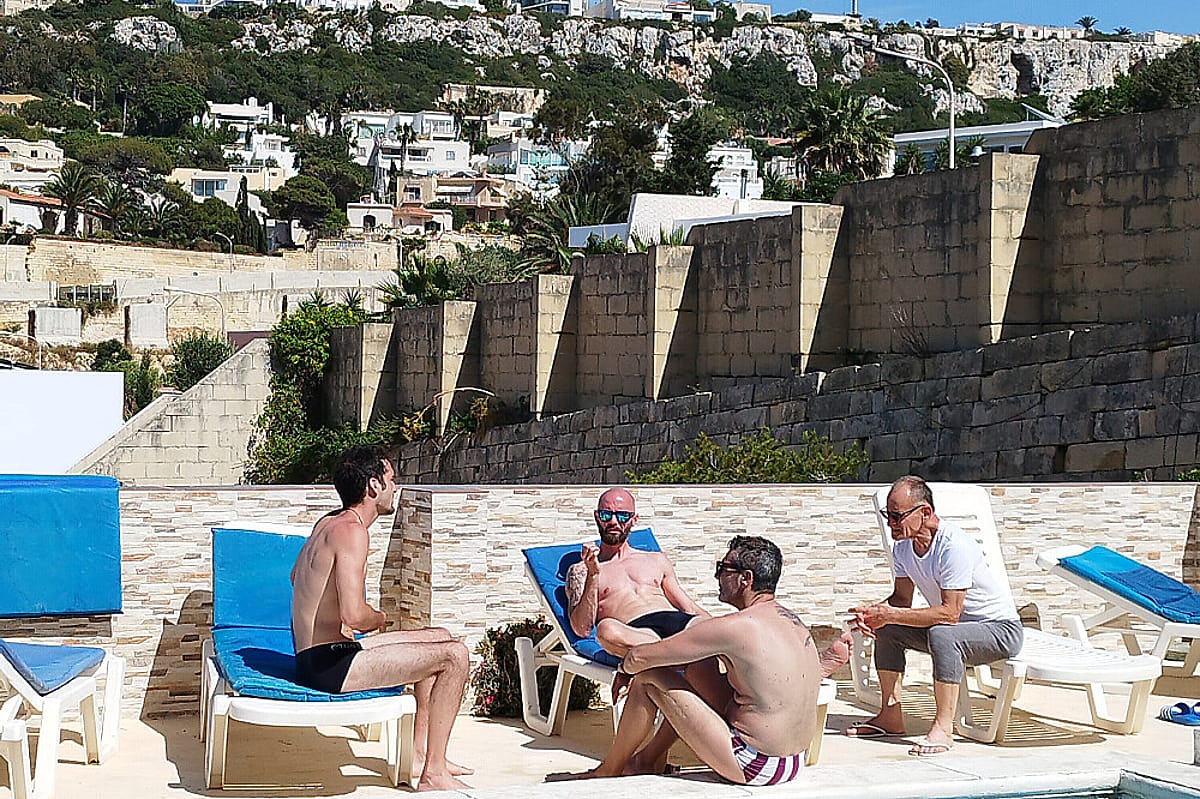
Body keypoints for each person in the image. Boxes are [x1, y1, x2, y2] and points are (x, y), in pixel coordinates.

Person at [562, 535, 821, 785]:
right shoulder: (791, 622)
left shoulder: (736, 627)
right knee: (698, 667)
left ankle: (608, 771)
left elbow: (640, 656)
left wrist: (625, 670)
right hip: (794, 759)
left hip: (756, 764)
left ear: (746, 579)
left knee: (648, 677)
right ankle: (646, 760)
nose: (717, 575)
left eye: (723, 568)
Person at [290, 444, 472, 791]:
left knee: (440, 635)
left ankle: (420, 753)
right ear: (373, 486)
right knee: (455, 656)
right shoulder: (353, 532)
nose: (395, 488)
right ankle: (433, 774)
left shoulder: (327, 523)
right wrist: (381, 618)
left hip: (324, 654)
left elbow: (295, 576)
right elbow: (355, 615)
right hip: (329, 667)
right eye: (392, 480)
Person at [565, 487, 852, 687]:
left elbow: (686, 605)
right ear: (596, 516)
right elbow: (581, 628)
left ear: (634, 520)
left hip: (676, 623)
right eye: (606, 515)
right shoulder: (581, 570)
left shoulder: (655, 560)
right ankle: (693, 650)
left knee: (730, 631)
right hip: (635, 629)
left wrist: (716, 624)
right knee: (606, 631)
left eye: (622, 515)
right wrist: (593, 574)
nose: (614, 521)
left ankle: (811, 669)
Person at [844, 475, 1024, 757]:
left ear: (925, 512)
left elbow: (951, 613)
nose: (891, 522)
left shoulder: (953, 546)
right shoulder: (903, 547)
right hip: (955, 630)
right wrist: (875, 613)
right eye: (887, 515)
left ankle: (943, 728)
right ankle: (890, 716)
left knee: (943, 632)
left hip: (1000, 631)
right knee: (889, 628)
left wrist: (891, 613)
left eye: (896, 516)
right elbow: (901, 601)